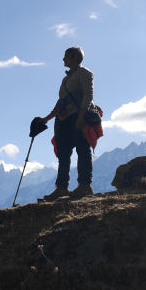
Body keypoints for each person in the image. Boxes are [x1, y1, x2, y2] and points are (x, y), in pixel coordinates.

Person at [36, 46, 95, 200]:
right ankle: (62, 187)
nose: (63, 59)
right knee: (63, 154)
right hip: (63, 119)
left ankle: (85, 185)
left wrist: (82, 117)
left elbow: (88, 96)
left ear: (75, 58)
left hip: (77, 116)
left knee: (82, 149)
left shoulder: (85, 73)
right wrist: (46, 119)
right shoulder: (66, 79)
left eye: (66, 56)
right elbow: (61, 102)